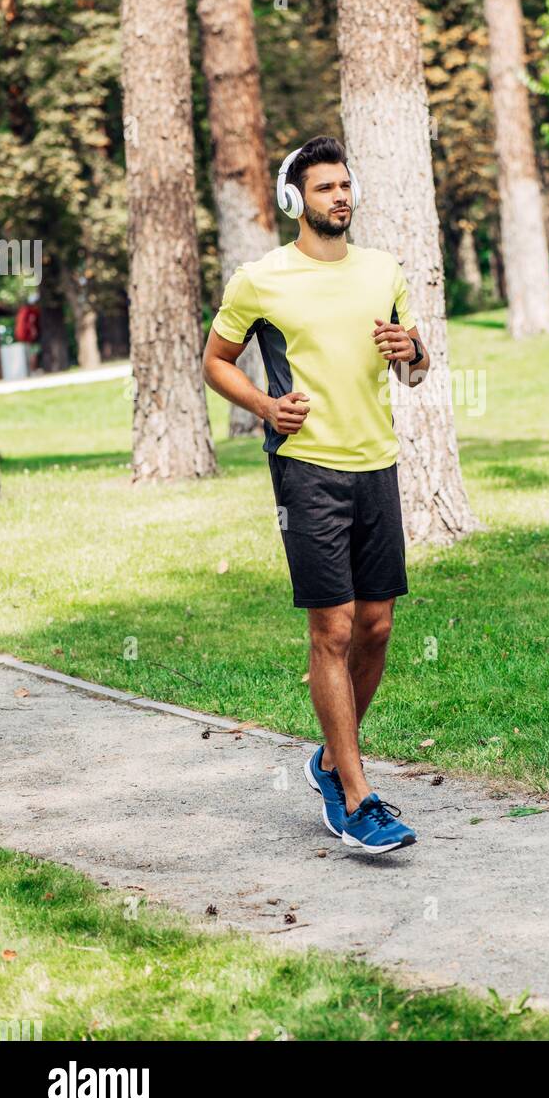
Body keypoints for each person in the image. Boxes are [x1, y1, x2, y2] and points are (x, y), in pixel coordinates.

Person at [203, 136, 430, 855]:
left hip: (377, 465)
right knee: (331, 630)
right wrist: (266, 409)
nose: (340, 197)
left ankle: (330, 759)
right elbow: (215, 361)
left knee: (377, 628)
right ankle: (355, 798)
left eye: (344, 186)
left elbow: (414, 368)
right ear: (294, 200)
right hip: (306, 470)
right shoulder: (261, 279)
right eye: (325, 187)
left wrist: (412, 353)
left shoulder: (382, 270)